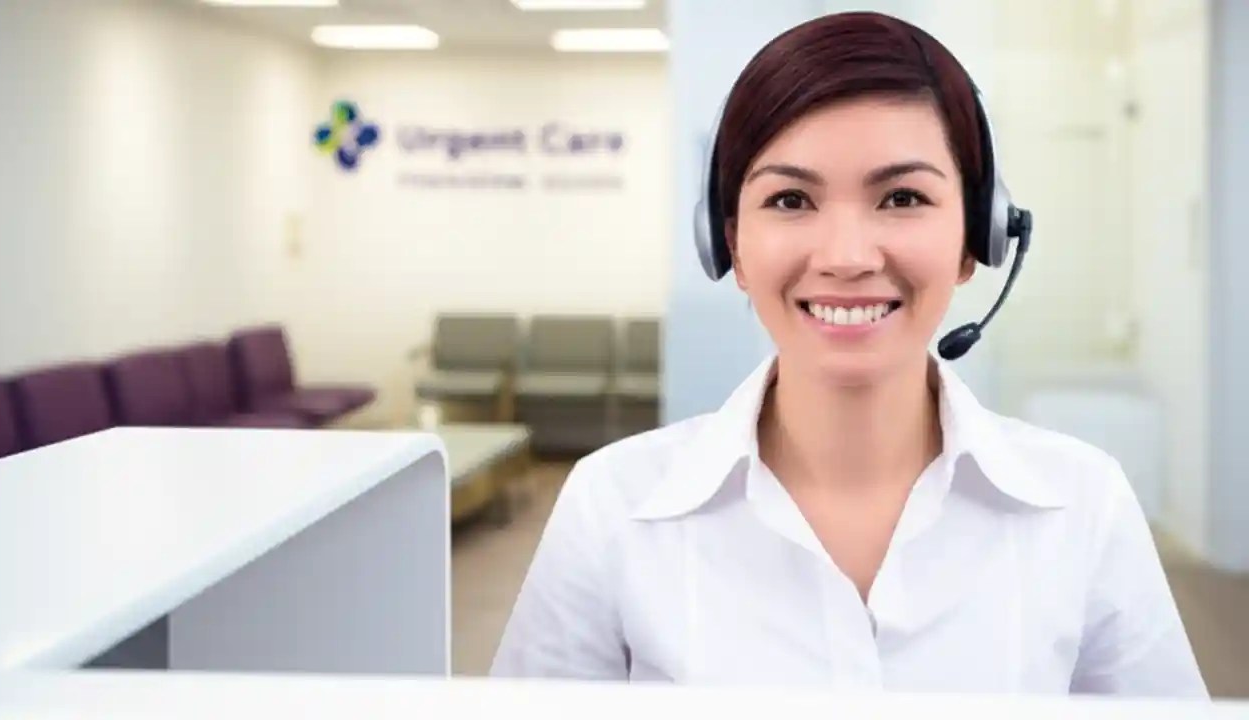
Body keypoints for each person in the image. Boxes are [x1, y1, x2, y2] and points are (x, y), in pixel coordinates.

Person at [490, 11, 1207, 697]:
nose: (847, 257)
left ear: (978, 239)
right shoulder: (613, 507)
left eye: (901, 197)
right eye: (791, 201)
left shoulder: (1082, 505)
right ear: (728, 243)